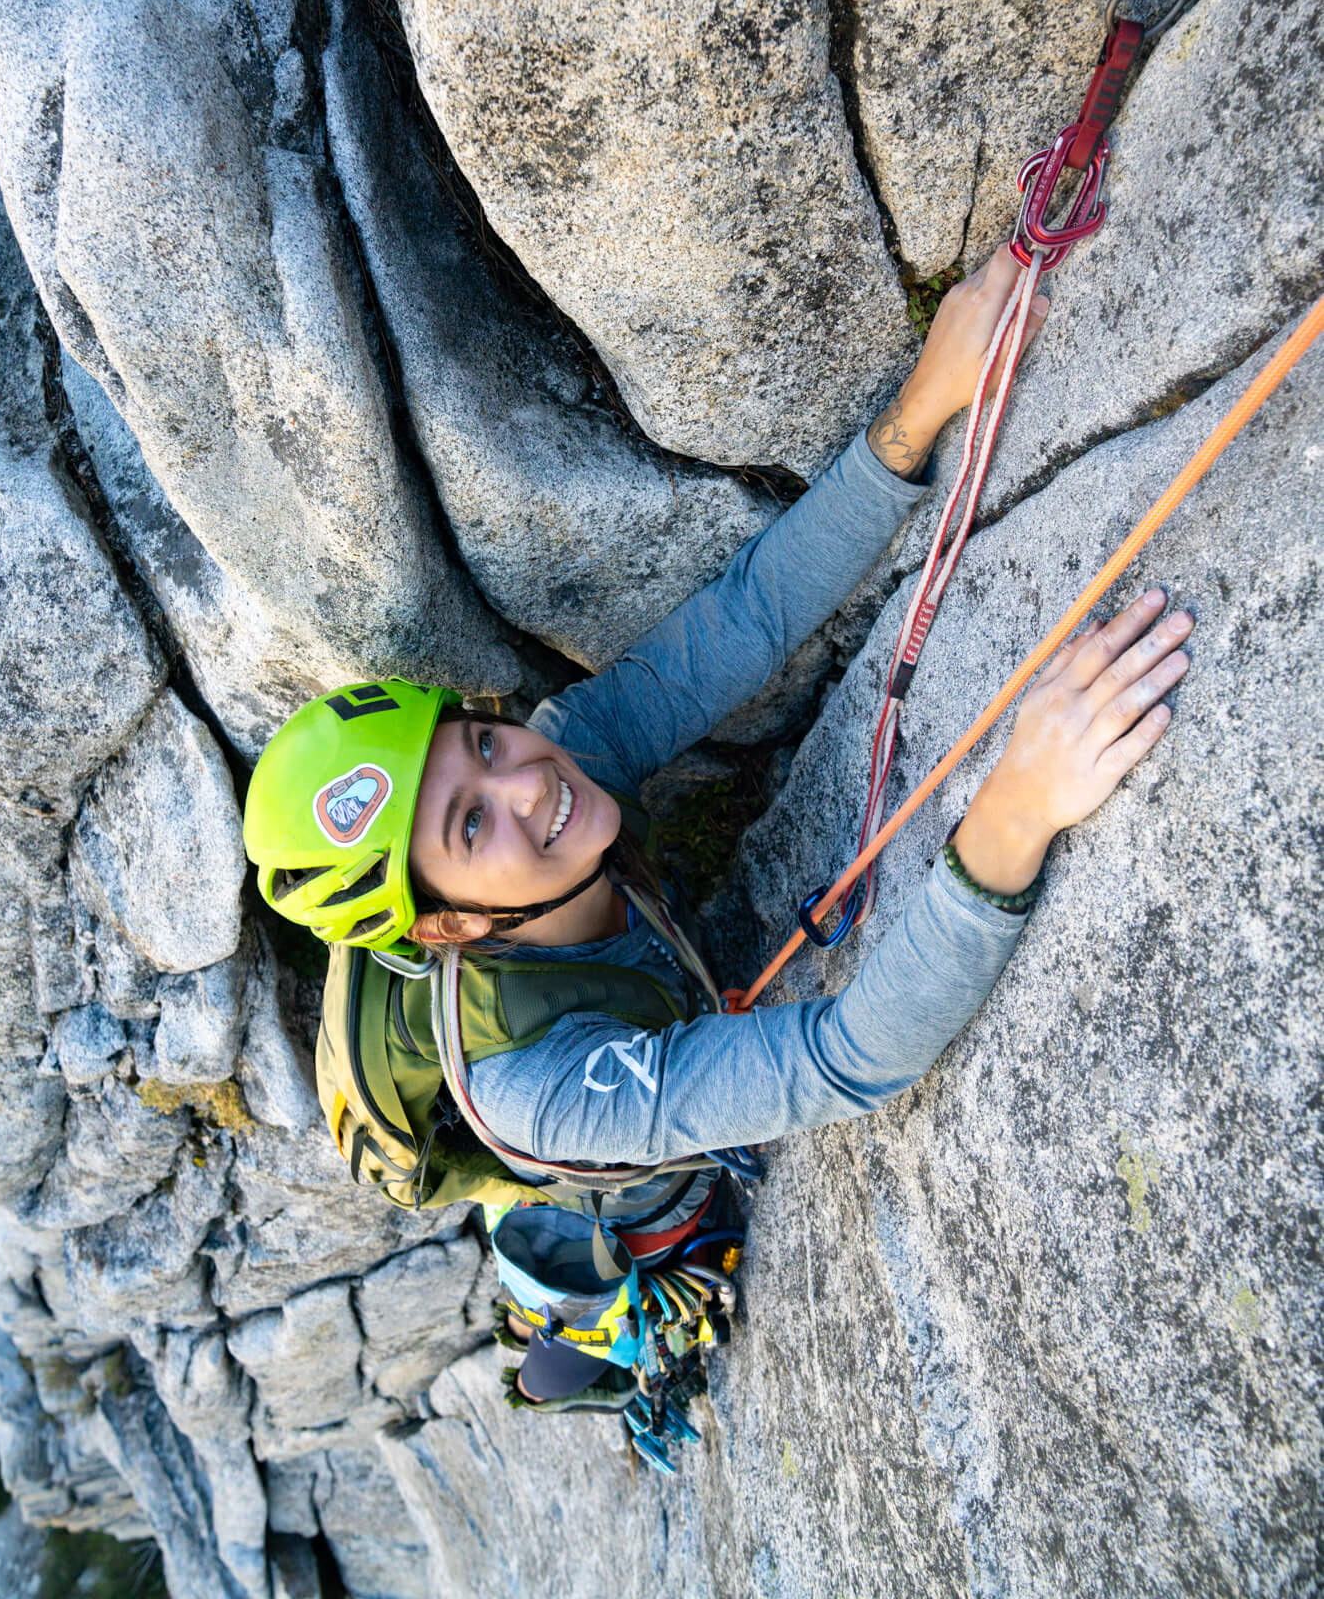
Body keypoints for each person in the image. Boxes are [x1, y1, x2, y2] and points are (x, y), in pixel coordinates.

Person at [245, 246, 1192, 1407]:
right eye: (468, 821)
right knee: (623, 1257)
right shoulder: (543, 1085)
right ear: (445, 924)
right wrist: (1013, 812)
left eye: (481, 743)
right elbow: (849, 1057)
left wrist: (921, 409)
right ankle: (576, 1350)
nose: (524, 780)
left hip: (610, 1022)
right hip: (588, 1152)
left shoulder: (567, 755)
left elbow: (744, 621)